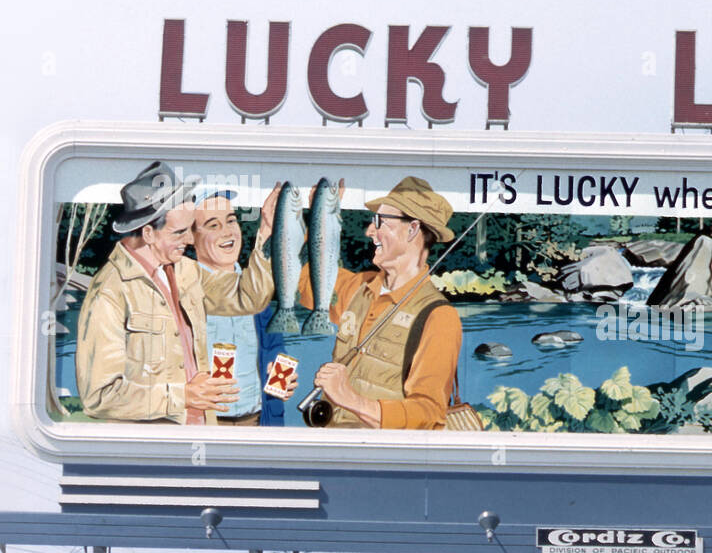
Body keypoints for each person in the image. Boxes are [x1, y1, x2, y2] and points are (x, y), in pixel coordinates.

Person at [76, 161, 275, 424]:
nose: (191, 240)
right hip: (154, 451)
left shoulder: (186, 271)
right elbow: (98, 397)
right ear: (148, 233)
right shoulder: (109, 292)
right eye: (180, 232)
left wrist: (268, 232)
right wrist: (183, 396)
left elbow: (249, 298)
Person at [295, 176, 462, 429]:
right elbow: (304, 276)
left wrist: (351, 400)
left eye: (380, 222)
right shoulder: (358, 288)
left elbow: (428, 414)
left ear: (413, 229)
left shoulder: (439, 317)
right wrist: (321, 217)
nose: (370, 231)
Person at [189, 188, 297, 425]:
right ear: (191, 236)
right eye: (213, 225)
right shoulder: (184, 290)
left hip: (259, 420)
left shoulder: (258, 289)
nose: (227, 232)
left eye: (231, 220)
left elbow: (275, 348)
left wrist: (282, 379)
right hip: (206, 423)